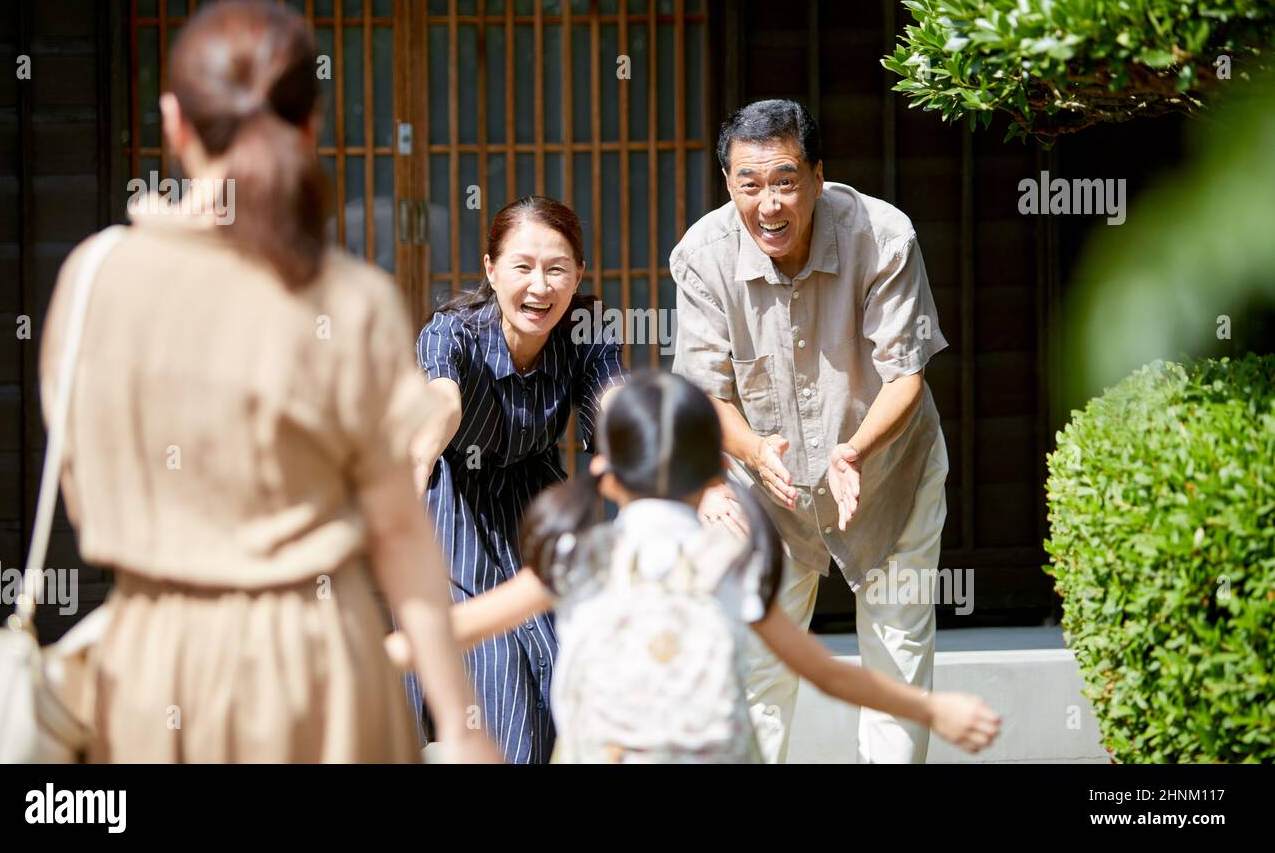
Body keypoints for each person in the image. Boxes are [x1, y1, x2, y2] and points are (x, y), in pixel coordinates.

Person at [40, 0, 498, 763]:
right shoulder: (351, 300)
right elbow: (398, 531)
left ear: (173, 122)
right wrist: (461, 725)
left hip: (152, 671)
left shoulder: (93, 280)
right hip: (321, 672)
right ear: (310, 128)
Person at [385, 371, 999, 762]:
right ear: (713, 479)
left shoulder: (582, 558)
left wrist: (357, 652)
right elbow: (828, 675)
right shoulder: (728, 566)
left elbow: (453, 630)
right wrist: (931, 709)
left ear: (604, 475)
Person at [670, 98, 952, 763]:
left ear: (819, 177)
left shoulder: (883, 237)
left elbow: (905, 375)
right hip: (768, 494)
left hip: (889, 478)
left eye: (786, 181)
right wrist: (753, 451)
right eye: (750, 184)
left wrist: (853, 449)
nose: (769, 204)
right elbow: (704, 394)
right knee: (759, 668)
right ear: (729, 185)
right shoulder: (701, 257)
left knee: (895, 667)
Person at [402, 196, 627, 763]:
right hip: (451, 501)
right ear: (490, 269)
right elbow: (441, 402)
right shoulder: (449, 331)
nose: (540, 286)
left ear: (579, 274)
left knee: (557, 655)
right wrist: (415, 461)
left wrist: (672, 478)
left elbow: (614, 408)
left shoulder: (587, 329)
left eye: (556, 269)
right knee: (498, 655)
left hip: (536, 505)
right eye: (522, 266)